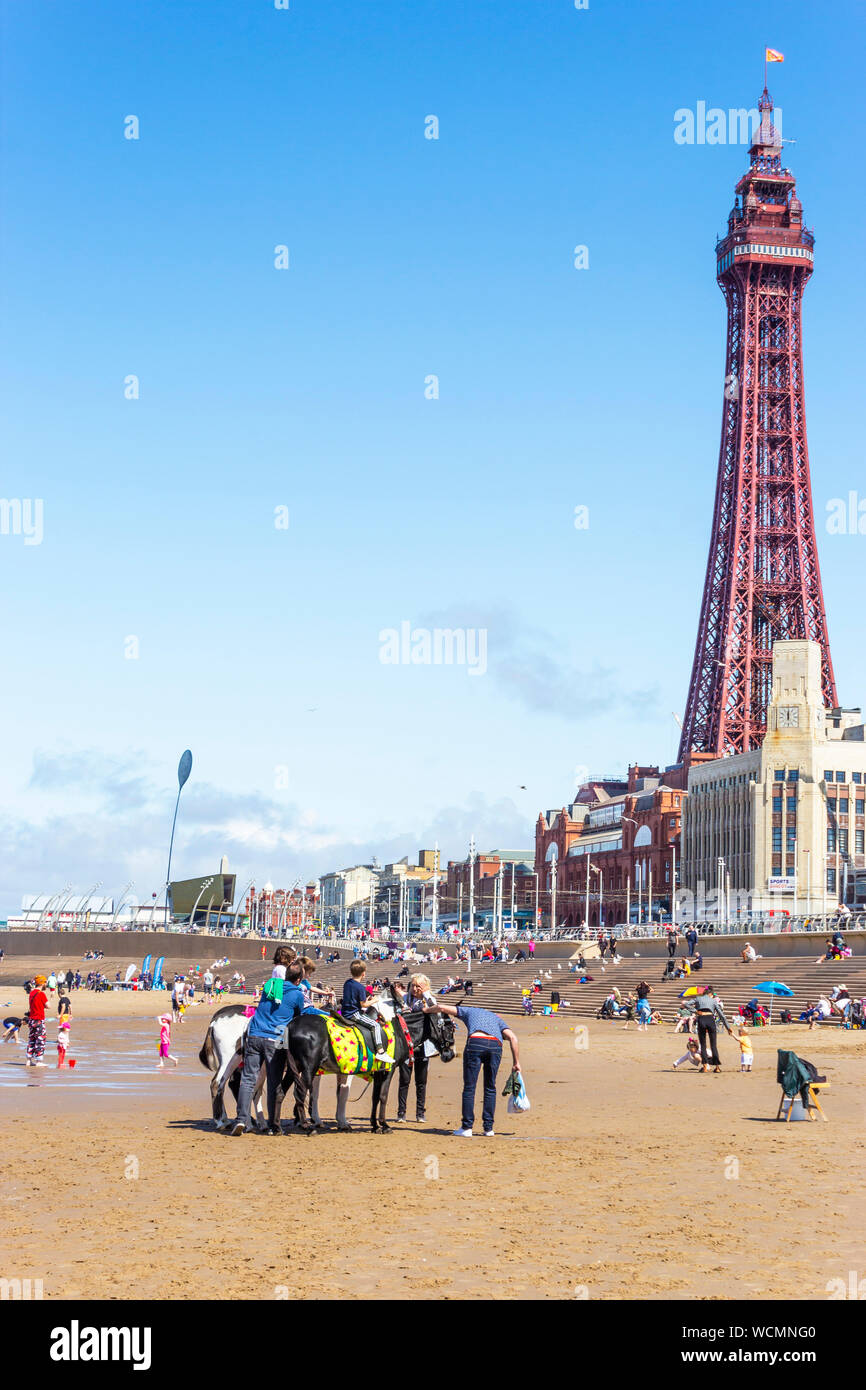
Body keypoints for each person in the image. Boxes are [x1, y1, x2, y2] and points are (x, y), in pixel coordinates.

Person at [425, 999, 520, 1138]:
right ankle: (488, 1129)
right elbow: (512, 1038)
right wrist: (516, 1062)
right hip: (495, 1045)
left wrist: (425, 1010)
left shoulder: (468, 1010)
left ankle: (467, 1127)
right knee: (490, 1087)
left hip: (476, 1042)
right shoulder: (497, 1019)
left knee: (470, 1087)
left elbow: (441, 1007)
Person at [232, 962, 306, 1136]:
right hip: (278, 1037)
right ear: (299, 980)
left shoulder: (270, 985)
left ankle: (242, 1119)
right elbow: (298, 1017)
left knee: (248, 1079)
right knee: (274, 1082)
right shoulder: (297, 994)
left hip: (255, 1034)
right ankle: (274, 1124)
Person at [396, 973, 437, 1123]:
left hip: (423, 1046)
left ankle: (420, 1113)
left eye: (418, 986)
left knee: (421, 1081)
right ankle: (401, 1113)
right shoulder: (407, 999)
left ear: (425, 986)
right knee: (404, 1080)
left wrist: (425, 994)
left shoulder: (429, 999)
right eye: (413, 985)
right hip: (407, 1045)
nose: (414, 988)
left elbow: (434, 1007)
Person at [340, 961, 391, 1065]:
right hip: (354, 1014)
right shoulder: (360, 987)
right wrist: (374, 1000)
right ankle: (380, 1051)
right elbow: (364, 1005)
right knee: (376, 1025)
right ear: (363, 973)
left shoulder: (347, 982)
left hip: (344, 1012)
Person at [693, 987, 733, 1072]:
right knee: (713, 1045)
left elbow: (686, 1004)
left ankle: (704, 1067)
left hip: (701, 1019)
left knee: (703, 1045)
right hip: (710, 1019)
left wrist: (696, 1011)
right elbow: (721, 1015)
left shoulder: (698, 998)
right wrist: (728, 1027)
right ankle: (717, 1067)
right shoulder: (714, 1001)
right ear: (710, 994)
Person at [25, 976, 49, 1067]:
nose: (46, 984)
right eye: (45, 983)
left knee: (32, 1039)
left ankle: (28, 1060)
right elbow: (48, 1006)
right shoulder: (41, 994)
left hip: (31, 1020)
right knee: (40, 1040)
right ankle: (39, 1061)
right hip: (39, 1020)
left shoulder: (31, 993)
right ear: (42, 983)